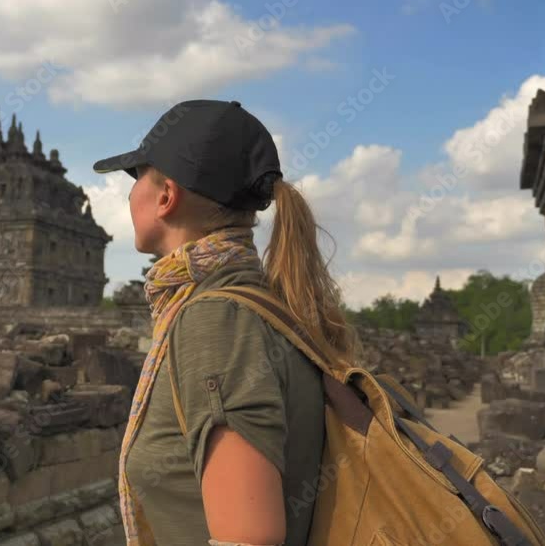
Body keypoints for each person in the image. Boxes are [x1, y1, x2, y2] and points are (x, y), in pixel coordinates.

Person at [92, 100, 358, 546]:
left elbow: (249, 539)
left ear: (165, 196)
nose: (130, 194)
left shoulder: (215, 319)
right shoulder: (254, 301)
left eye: (136, 177)